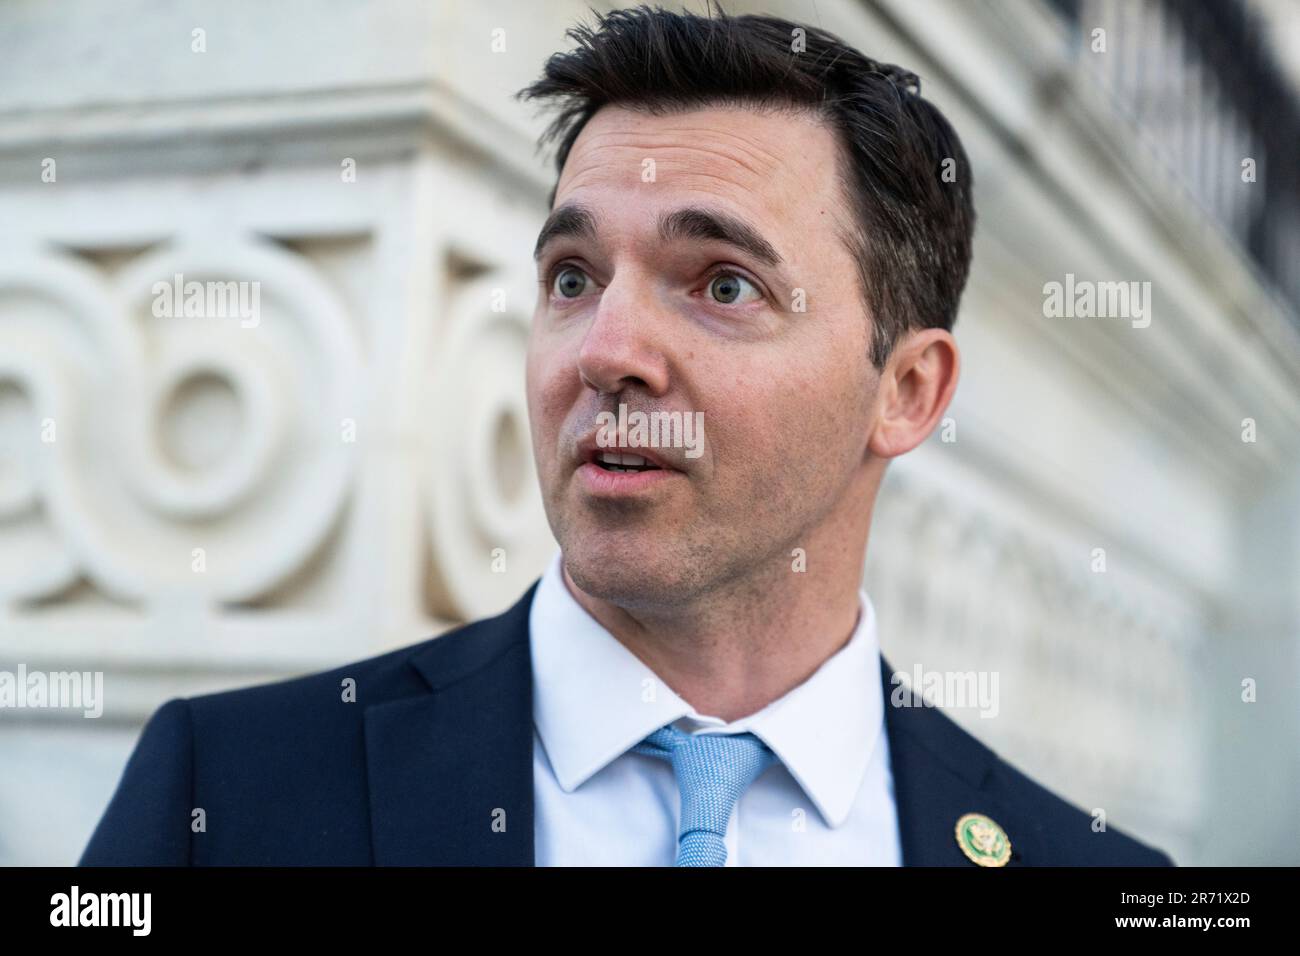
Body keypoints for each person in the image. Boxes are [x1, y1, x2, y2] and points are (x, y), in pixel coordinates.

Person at [80, 4, 1173, 867]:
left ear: (907, 390)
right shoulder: (221, 795)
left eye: (723, 284)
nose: (604, 352)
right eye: (573, 276)